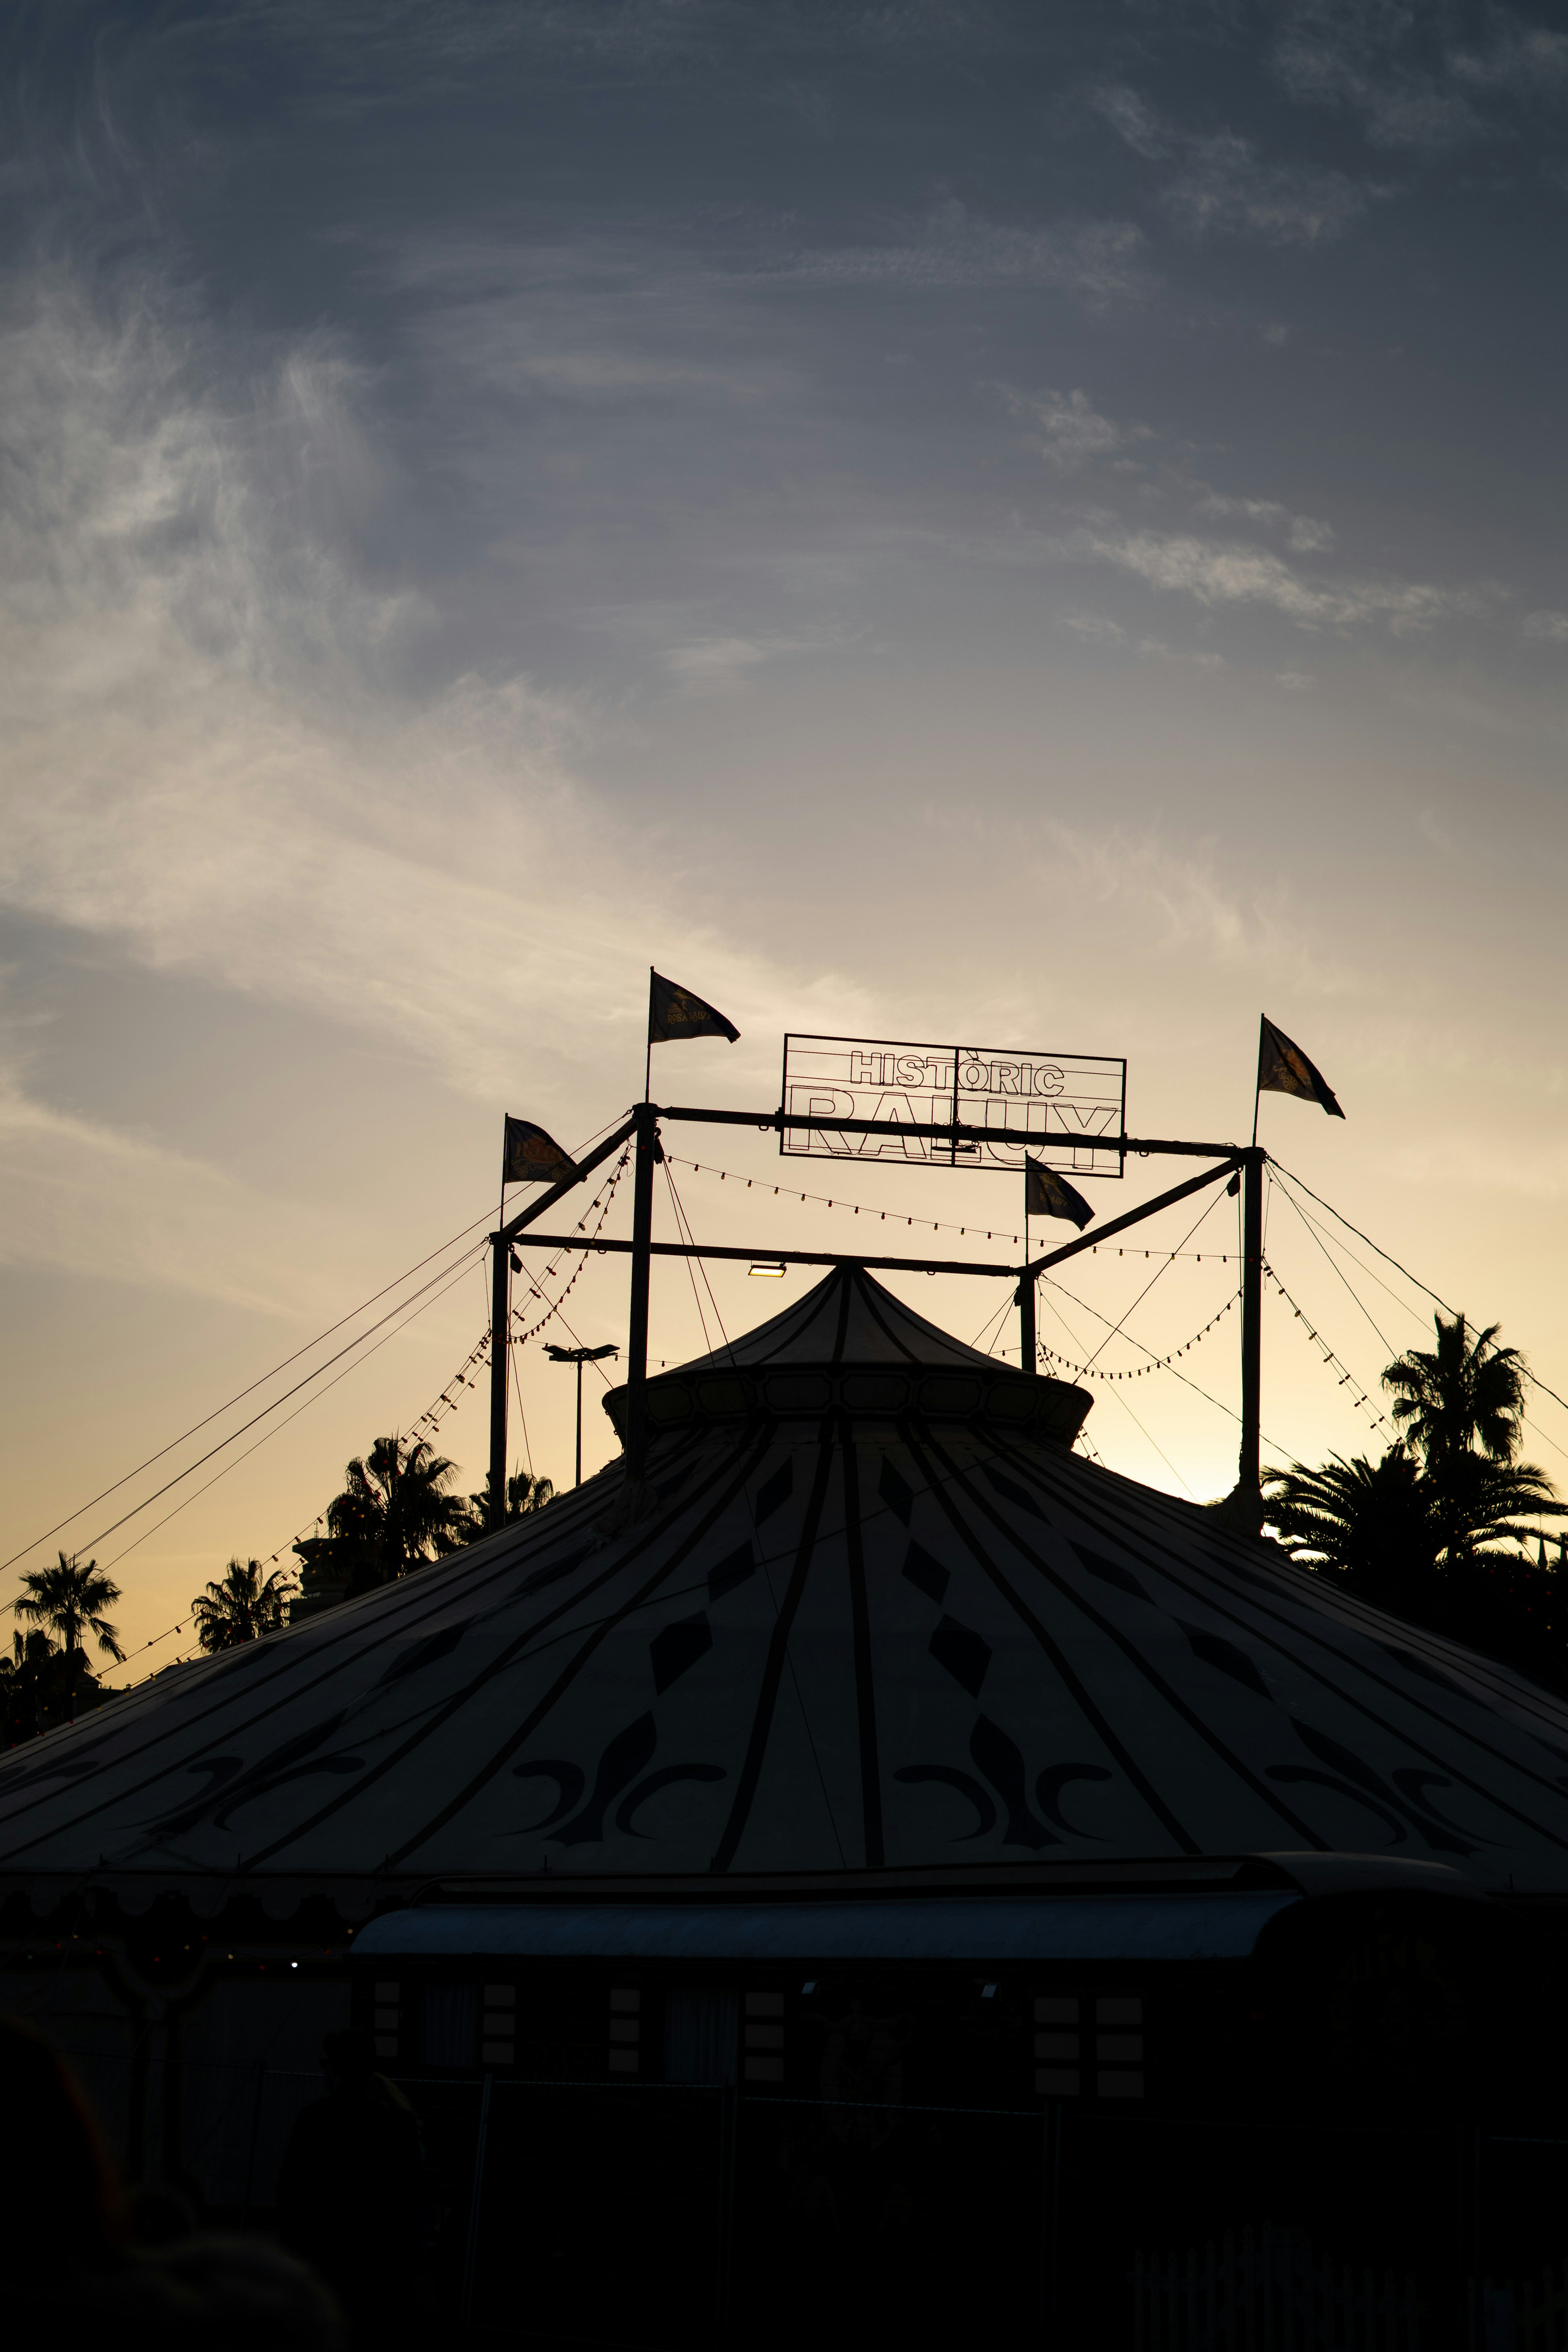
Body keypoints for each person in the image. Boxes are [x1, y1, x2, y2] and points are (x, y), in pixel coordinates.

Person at [277, 2027, 429, 2348]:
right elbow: (411, 2206)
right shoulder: (397, 2129)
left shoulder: (315, 2121)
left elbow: (291, 2201)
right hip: (380, 2277)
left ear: (334, 2067)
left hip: (325, 2271)